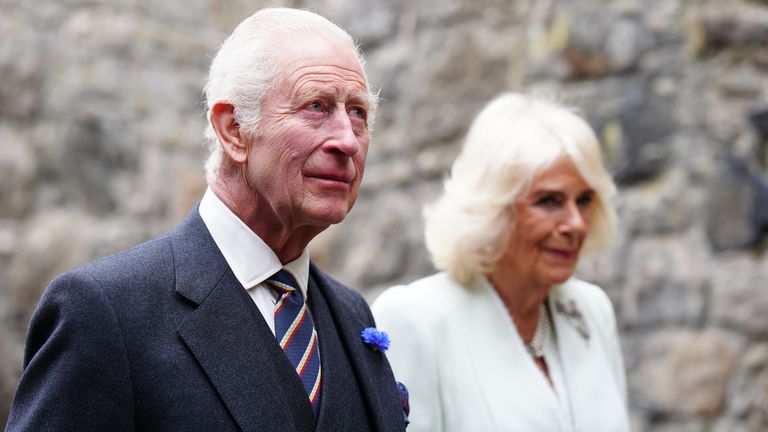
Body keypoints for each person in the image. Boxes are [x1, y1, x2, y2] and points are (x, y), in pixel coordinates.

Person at [6, 8, 406, 432]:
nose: (347, 139)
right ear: (233, 129)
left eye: (359, 113)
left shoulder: (351, 314)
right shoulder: (106, 312)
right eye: (316, 106)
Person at [372, 93, 630, 431]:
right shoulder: (416, 318)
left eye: (583, 200)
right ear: (493, 209)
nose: (577, 224)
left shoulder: (591, 310)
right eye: (550, 201)